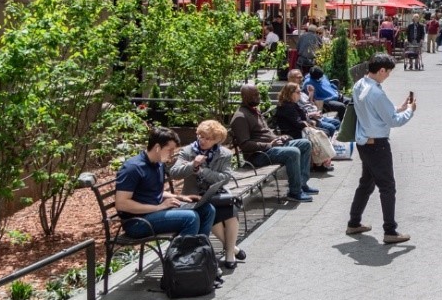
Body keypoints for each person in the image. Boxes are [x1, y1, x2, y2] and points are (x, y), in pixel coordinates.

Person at [347, 53, 416, 241]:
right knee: (387, 186)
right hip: (378, 143)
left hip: (364, 141)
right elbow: (393, 121)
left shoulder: (360, 84)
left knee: (367, 183)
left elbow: (375, 112)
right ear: (382, 70)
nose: (388, 76)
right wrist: (410, 111)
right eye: (388, 72)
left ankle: (354, 222)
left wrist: (398, 108)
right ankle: (390, 230)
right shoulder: (376, 92)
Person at [115, 127, 216, 239]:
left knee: (207, 209)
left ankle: (199, 251)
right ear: (158, 147)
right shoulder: (133, 168)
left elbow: (153, 192)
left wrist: (180, 197)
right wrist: (159, 207)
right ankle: (182, 255)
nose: (172, 154)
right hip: (137, 222)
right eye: (170, 150)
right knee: (191, 217)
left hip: (154, 213)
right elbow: (122, 204)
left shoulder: (158, 163)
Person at [170, 120, 244, 271]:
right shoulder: (188, 151)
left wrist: (203, 172)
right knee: (211, 212)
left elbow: (225, 177)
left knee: (230, 212)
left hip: (216, 193)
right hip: (194, 196)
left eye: (207, 138)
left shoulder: (224, 154)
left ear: (217, 140)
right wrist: (193, 166)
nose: (202, 140)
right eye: (200, 136)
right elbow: (174, 173)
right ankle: (232, 248)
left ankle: (230, 253)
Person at [229, 84, 317, 202]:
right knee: (293, 152)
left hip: (272, 147)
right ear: (244, 96)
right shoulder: (241, 117)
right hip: (258, 155)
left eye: (258, 94)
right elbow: (245, 145)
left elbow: (265, 133)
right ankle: (294, 192)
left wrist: (279, 137)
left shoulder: (254, 111)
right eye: (254, 95)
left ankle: (301, 184)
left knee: (305, 144)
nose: (258, 97)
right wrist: (270, 145)